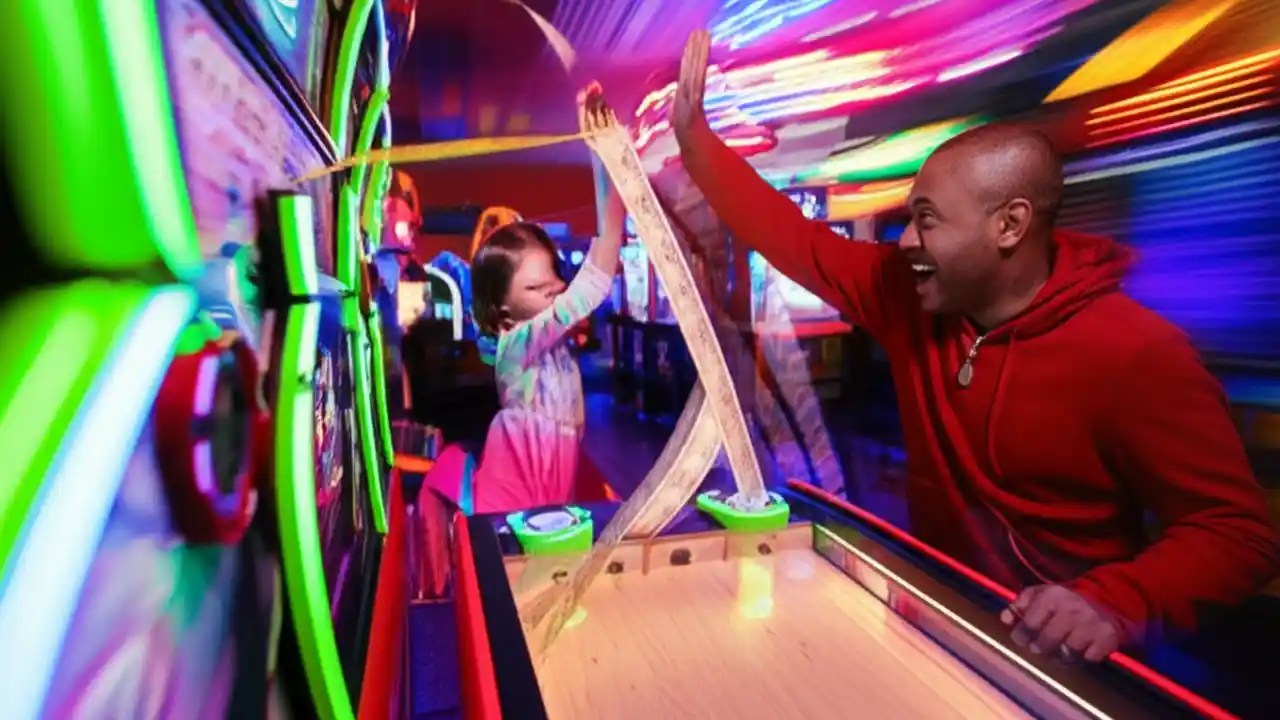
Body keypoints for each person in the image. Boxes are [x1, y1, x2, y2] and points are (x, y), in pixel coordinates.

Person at [670, 30, 1277, 662]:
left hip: (1067, 666)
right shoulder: (907, 295)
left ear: (1009, 224)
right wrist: (696, 143)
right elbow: (794, 238)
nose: (905, 241)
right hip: (942, 620)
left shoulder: (1138, 353)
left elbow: (1237, 536)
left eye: (927, 219)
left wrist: (1114, 599)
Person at [467, 87, 626, 513]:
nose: (556, 290)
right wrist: (602, 154)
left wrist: (602, 152)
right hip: (519, 472)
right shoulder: (516, 344)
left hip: (557, 468)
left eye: (554, 279)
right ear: (503, 312)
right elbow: (594, 281)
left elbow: (600, 260)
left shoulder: (550, 343)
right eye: (537, 289)